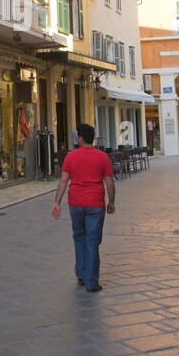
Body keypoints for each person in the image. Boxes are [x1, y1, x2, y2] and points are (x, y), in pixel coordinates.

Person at [51, 122, 115, 293]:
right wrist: (111, 202)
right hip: (95, 203)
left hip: (76, 203)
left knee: (79, 236)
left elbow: (63, 181)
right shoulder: (102, 157)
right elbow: (109, 181)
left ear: (80, 138)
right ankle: (91, 281)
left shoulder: (71, 157)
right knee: (93, 240)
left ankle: (81, 273)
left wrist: (57, 202)